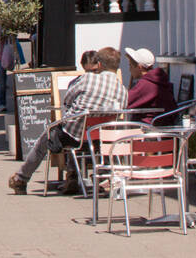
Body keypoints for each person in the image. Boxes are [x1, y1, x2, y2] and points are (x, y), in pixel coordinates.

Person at [8, 47, 128, 195]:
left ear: (100, 65)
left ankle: (21, 178)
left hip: (75, 135)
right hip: (101, 138)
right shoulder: (122, 90)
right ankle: (73, 176)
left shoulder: (87, 79)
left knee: (55, 133)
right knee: (75, 127)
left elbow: (68, 99)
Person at [125, 47, 175, 119]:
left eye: (130, 65)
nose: (129, 70)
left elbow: (125, 102)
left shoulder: (146, 84)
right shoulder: (156, 80)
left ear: (139, 67)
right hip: (159, 122)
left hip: (148, 126)